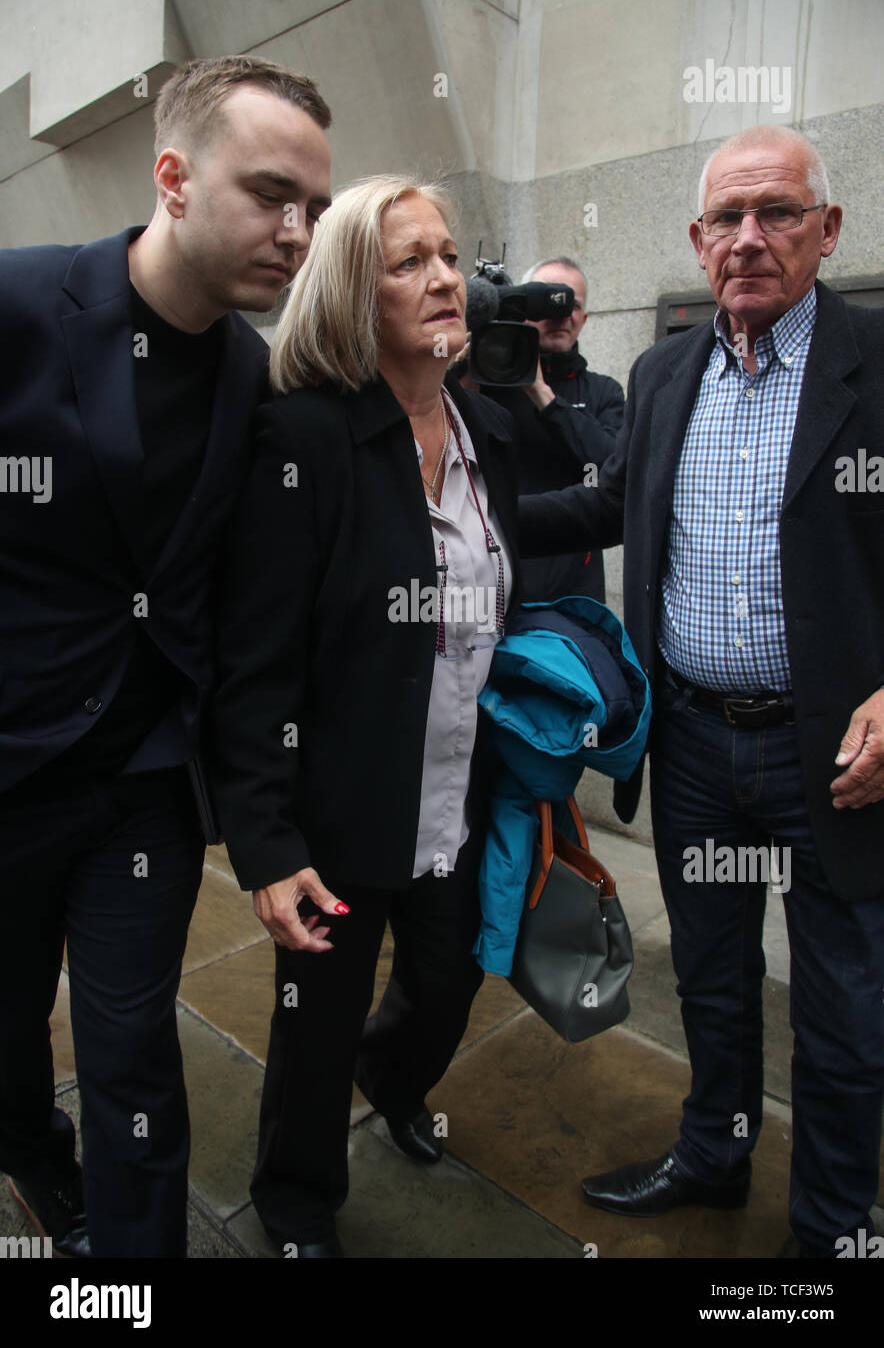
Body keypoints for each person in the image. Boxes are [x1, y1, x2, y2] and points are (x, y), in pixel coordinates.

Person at [519, 126, 884, 1258]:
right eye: (725, 218)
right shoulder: (661, 372)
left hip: (832, 757)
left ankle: (827, 1230)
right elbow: (606, 506)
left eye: (776, 212)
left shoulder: (874, 367)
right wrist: (449, 526)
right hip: (690, 742)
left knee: (839, 1012)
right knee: (713, 981)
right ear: (694, 239)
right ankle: (713, 1158)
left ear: (825, 231)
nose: (747, 239)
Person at [0, 55, 332, 1258]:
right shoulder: (23, 302)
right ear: (174, 178)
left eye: (315, 209)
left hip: (142, 781)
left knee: (133, 1048)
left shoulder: (258, 380)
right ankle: (40, 1171)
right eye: (269, 194)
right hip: (11, 766)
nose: (296, 233)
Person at [210, 175, 521, 1258]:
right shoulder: (306, 437)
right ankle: (296, 1206)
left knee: (446, 983)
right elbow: (254, 662)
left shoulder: (481, 424)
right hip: (340, 810)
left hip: (456, 791)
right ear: (354, 291)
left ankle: (391, 1080)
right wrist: (267, 840)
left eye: (446, 254)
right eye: (406, 263)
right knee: (314, 1022)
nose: (442, 279)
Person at [482, 257, 624, 602]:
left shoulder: (603, 391)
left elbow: (614, 468)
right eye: (549, 301)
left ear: (585, 319)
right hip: (497, 586)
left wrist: (543, 395)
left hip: (575, 596)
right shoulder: (486, 386)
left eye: (572, 305)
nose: (562, 314)